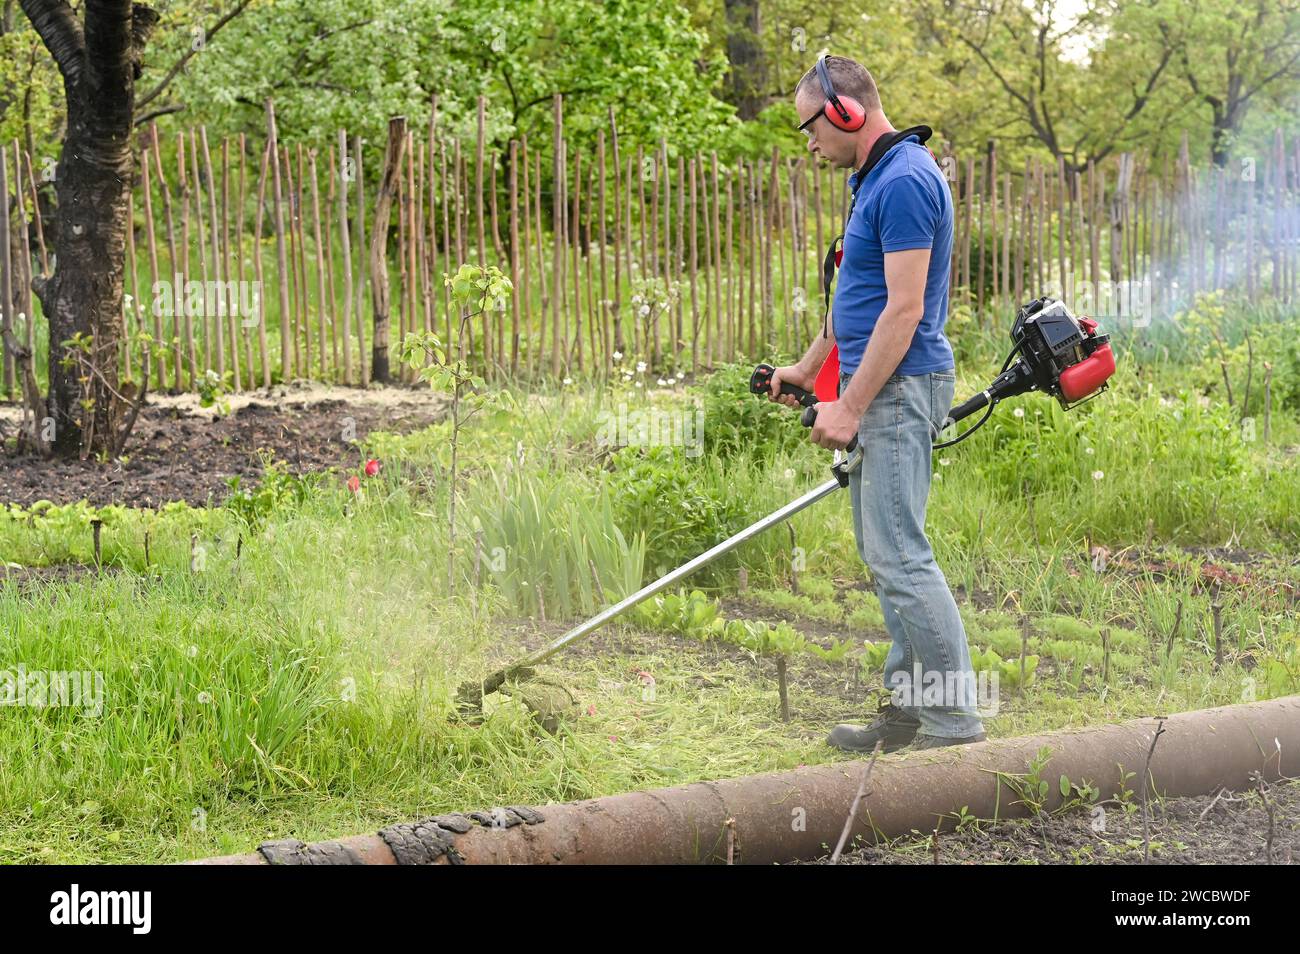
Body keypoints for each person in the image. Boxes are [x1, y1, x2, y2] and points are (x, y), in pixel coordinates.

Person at [767, 54, 986, 753]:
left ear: (845, 113)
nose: (808, 144)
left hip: (896, 389)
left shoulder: (908, 181)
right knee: (886, 554)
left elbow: (904, 311)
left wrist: (851, 406)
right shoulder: (875, 180)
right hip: (877, 386)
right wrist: (808, 370)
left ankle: (953, 725)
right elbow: (855, 296)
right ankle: (907, 714)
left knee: (901, 556)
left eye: (810, 127)